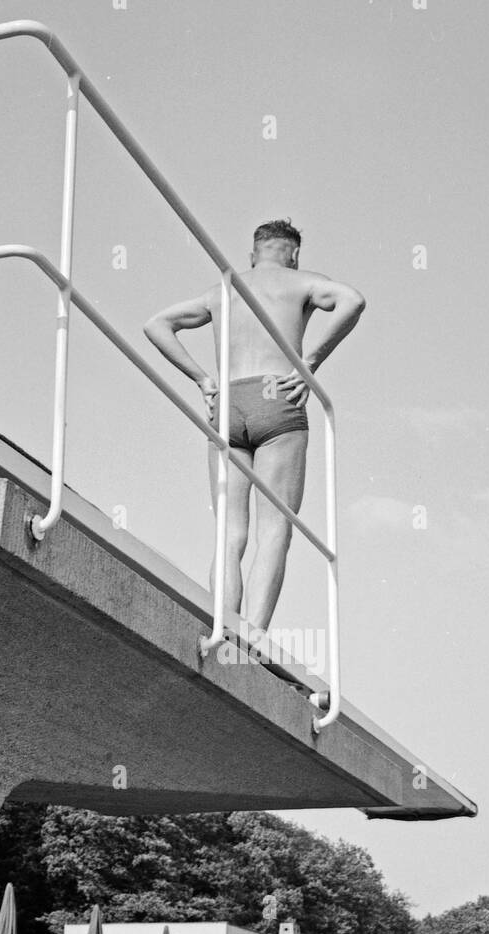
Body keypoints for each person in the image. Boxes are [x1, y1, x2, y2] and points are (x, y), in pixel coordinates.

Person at [143, 218, 366, 635]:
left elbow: (156, 324)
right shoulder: (301, 281)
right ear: (294, 254)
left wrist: (202, 379)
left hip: (227, 402)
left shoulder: (222, 290)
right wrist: (310, 364)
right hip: (276, 396)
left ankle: (221, 626)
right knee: (274, 530)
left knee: (229, 533)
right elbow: (353, 300)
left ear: (253, 254)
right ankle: (253, 639)